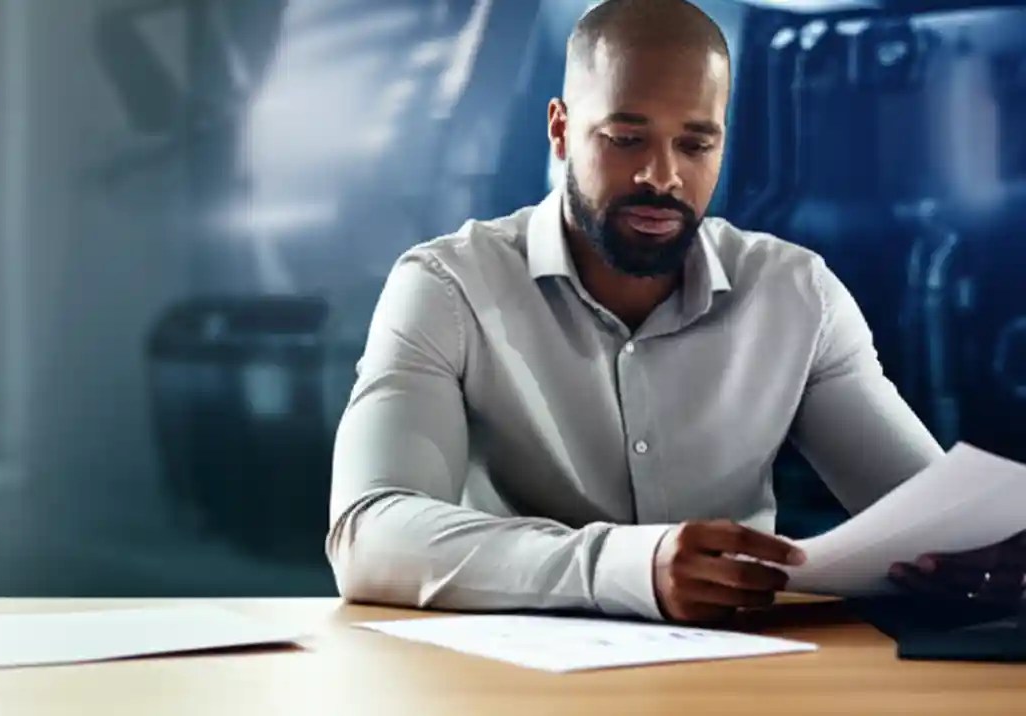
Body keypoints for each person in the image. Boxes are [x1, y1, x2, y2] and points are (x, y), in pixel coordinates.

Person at [325, 0, 1026, 623]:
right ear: (562, 130)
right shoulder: (447, 286)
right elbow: (370, 532)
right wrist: (630, 569)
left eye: (695, 144)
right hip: (509, 681)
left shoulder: (794, 294)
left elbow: (928, 519)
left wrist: (979, 560)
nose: (662, 176)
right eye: (626, 139)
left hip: (744, 676)